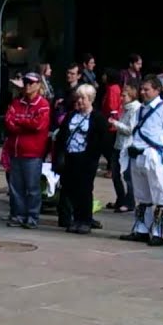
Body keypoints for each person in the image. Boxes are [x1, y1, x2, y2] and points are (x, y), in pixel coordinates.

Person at [118, 77, 163, 247]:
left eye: (147, 89)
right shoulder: (140, 109)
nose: (143, 92)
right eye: (142, 89)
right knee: (142, 195)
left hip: (154, 156)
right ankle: (141, 229)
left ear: (157, 90)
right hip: (137, 156)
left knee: (159, 193)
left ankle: (160, 232)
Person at [53, 84, 110, 234]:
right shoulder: (72, 115)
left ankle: (85, 220)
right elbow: (61, 136)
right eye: (77, 97)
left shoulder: (97, 117)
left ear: (90, 99)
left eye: (82, 98)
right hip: (70, 158)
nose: (79, 101)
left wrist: (96, 157)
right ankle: (76, 219)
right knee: (70, 189)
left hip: (86, 160)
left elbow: (103, 140)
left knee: (84, 190)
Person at [4, 73, 51, 228]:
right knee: (16, 187)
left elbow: (38, 125)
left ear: (38, 85)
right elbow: (8, 122)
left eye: (31, 83)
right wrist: (25, 123)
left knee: (32, 188)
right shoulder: (17, 102)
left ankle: (32, 217)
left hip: (32, 153)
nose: (27, 85)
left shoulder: (42, 104)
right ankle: (18, 215)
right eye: (25, 82)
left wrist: (19, 121)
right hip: (16, 151)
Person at [108, 82, 138, 213]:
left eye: (124, 95)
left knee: (127, 176)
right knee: (115, 174)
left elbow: (130, 129)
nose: (121, 98)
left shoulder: (135, 109)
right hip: (118, 144)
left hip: (127, 146)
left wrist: (115, 123)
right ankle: (120, 199)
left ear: (131, 95)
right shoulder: (125, 108)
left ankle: (130, 202)